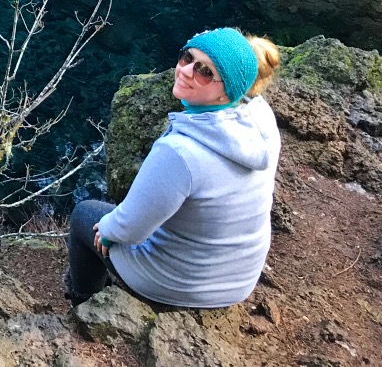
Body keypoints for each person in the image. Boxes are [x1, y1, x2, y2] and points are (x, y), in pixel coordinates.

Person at [64, 27, 282, 309]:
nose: (186, 71)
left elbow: (129, 230)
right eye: (187, 57)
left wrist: (106, 231)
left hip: (180, 282)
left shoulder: (180, 152)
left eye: (205, 72)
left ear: (226, 91)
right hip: (238, 278)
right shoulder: (260, 119)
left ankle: (83, 302)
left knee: (85, 214)